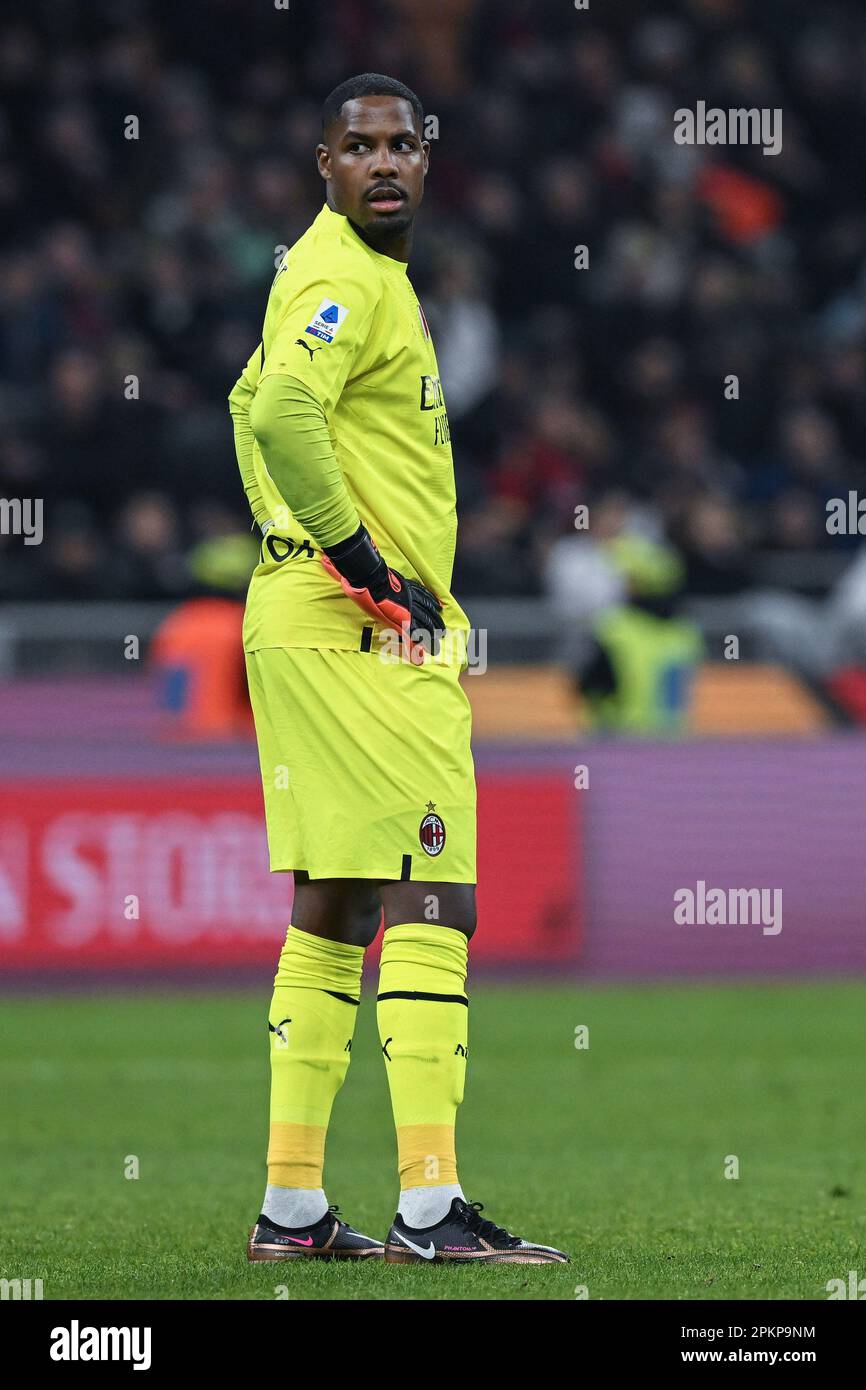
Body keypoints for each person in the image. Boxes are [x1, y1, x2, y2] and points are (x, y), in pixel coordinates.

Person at [228, 72, 567, 1265]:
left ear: (428, 160)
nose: (382, 162)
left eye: (400, 145)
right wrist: (363, 561)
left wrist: (293, 541)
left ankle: (291, 1206)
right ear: (323, 162)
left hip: (307, 620)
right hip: (362, 631)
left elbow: (245, 404)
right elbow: (276, 414)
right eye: (357, 145)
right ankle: (430, 1206)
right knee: (437, 892)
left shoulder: (344, 277)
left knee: (336, 900)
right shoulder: (339, 274)